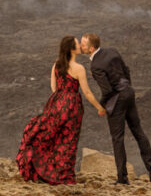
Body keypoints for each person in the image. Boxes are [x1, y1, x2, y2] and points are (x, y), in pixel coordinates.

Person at [16, 35, 106, 185]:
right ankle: (62, 175)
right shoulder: (79, 69)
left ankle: (44, 171)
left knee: (51, 136)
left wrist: (60, 97)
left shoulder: (57, 65)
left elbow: (53, 87)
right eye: (77, 44)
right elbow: (87, 92)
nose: (80, 47)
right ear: (72, 49)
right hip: (72, 106)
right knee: (67, 141)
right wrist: (100, 108)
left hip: (56, 103)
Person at [81, 32, 151, 185]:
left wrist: (101, 106)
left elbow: (107, 90)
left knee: (118, 139)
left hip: (116, 100)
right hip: (128, 92)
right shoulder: (112, 51)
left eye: (83, 44)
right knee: (138, 131)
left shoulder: (95, 65)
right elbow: (126, 70)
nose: (80, 46)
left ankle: (122, 178)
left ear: (90, 49)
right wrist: (127, 87)